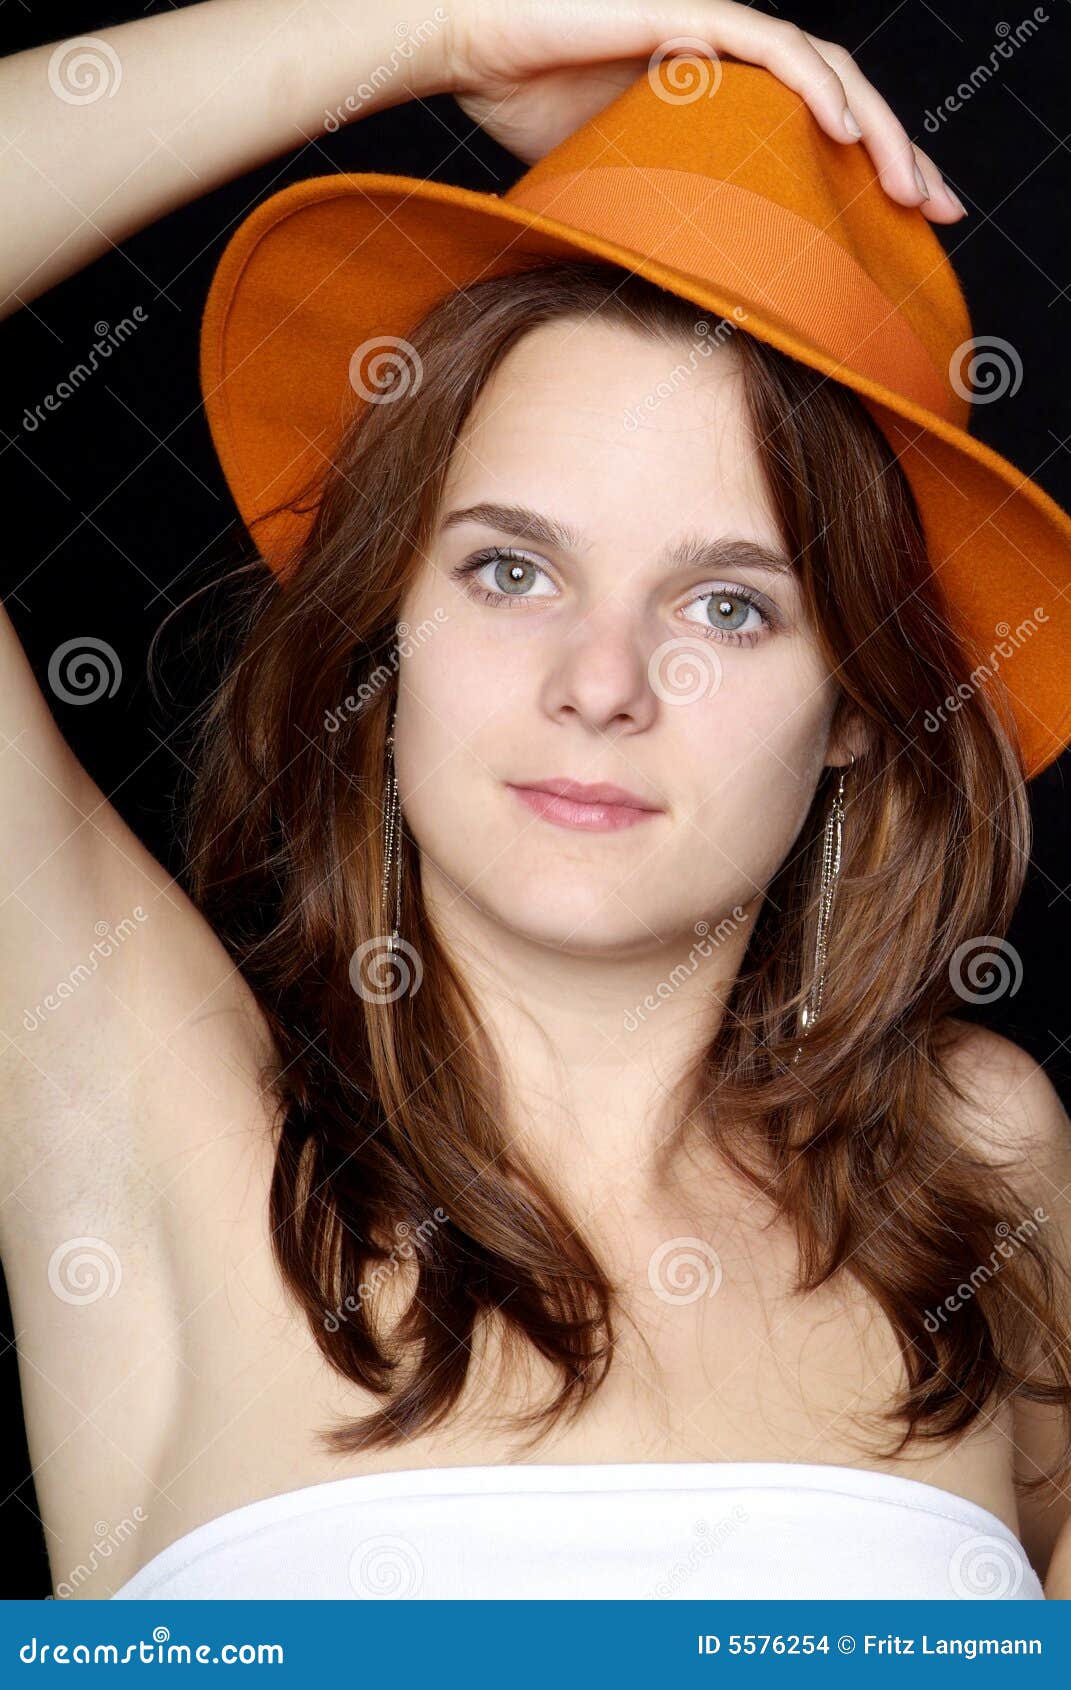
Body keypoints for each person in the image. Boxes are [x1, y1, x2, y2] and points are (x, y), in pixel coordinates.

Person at [1, 0, 1069, 1602]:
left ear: (858, 703)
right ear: (391, 628)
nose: (601, 680)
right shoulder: (151, 1124)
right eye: (511, 568)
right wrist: (440, 30)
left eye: (727, 606)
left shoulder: (978, 1167)